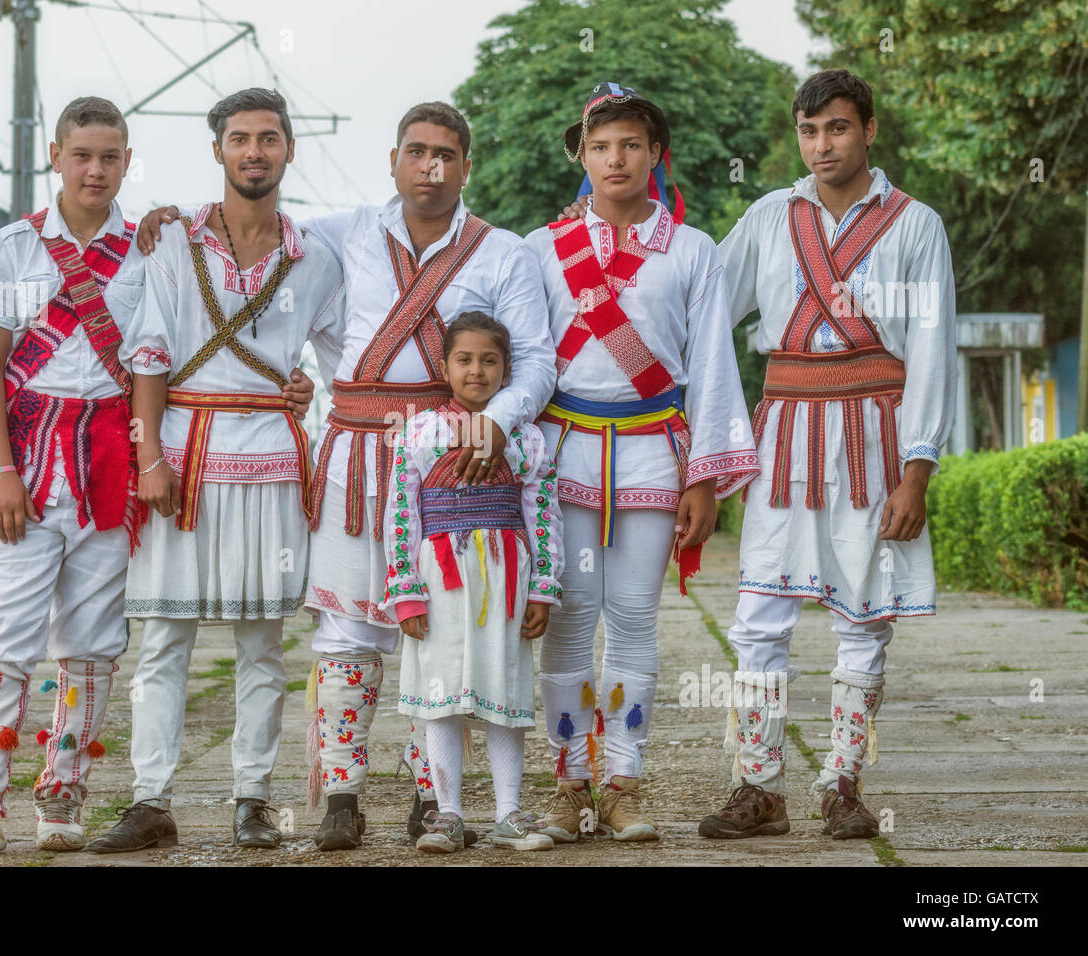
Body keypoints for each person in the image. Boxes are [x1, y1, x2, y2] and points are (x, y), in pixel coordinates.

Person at [137, 101, 556, 850]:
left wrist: (497, 420)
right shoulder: (338, 236)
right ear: (393, 159)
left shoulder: (505, 254)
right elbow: (253, 235)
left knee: (445, 629)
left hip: (450, 463)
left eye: (446, 155)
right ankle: (340, 794)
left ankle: (437, 800)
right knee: (343, 634)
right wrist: (182, 216)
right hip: (354, 457)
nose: (429, 167)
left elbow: (537, 359)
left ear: (467, 165)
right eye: (416, 151)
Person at [697, 69, 956, 840]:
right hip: (784, 437)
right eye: (809, 131)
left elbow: (934, 351)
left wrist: (919, 468)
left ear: (869, 129)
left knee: (865, 619)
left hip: (875, 437)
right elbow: (705, 297)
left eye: (837, 128)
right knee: (758, 618)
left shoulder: (915, 224)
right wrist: (610, 234)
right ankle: (758, 787)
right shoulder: (772, 214)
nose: (822, 145)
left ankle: (842, 783)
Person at [83, 89, 344, 853]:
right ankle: (150, 799)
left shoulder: (317, 258)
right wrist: (149, 457)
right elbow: (149, 354)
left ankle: (252, 798)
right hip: (185, 456)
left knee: (263, 644)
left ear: (288, 150)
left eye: (267, 138)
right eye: (239, 139)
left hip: (271, 461)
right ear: (218, 151)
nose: (253, 152)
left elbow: (338, 356)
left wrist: (309, 391)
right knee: (164, 638)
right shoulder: (170, 243)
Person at [0, 96, 150, 856]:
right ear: (55, 155)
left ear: (127, 162)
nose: (96, 169)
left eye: (110, 156)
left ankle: (62, 799)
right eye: (83, 155)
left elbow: (150, 368)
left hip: (110, 456)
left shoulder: (149, 250)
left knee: (93, 641)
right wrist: (0, 469)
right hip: (29, 454)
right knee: (3, 634)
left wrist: (149, 458)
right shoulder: (13, 246)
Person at [527, 83, 759, 844]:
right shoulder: (539, 250)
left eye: (630, 144)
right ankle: (568, 782)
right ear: (582, 157)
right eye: (600, 146)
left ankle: (622, 781)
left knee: (633, 620)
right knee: (568, 622)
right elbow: (522, 359)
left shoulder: (692, 250)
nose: (615, 158)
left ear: (655, 154)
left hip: (656, 455)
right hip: (561, 453)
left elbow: (714, 365)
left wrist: (704, 475)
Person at [379, 312, 562, 854]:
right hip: (439, 581)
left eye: (489, 361)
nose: (476, 371)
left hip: (507, 577)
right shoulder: (419, 431)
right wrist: (405, 589)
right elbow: (399, 513)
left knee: (505, 686)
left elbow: (544, 514)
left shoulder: (526, 439)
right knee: (441, 695)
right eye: (464, 359)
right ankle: (449, 814)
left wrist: (543, 588)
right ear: (444, 366)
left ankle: (509, 813)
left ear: (507, 371)